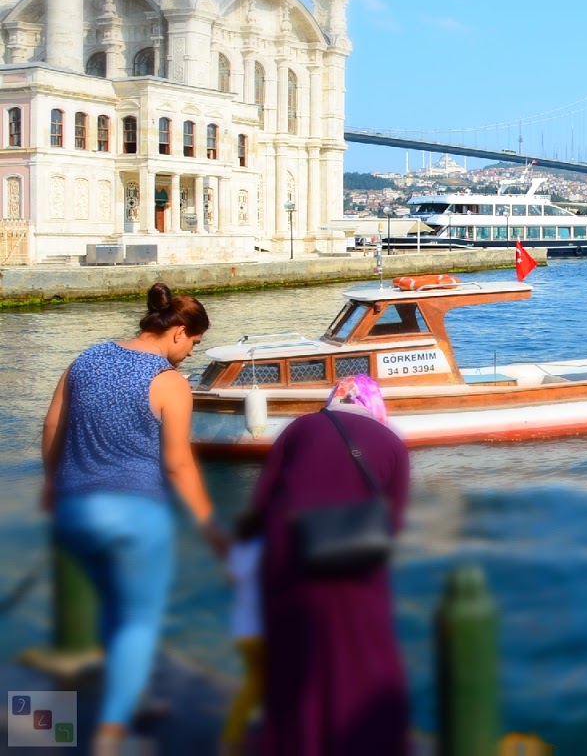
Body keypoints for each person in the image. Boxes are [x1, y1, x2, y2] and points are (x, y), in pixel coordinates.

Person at [41, 282, 229, 752]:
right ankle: (110, 732)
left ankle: (126, 696)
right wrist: (209, 524)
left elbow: (51, 427)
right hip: (134, 515)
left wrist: (54, 485)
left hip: (75, 510)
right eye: (195, 344)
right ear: (179, 332)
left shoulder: (86, 359)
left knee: (112, 606)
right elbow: (178, 464)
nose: (190, 353)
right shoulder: (169, 382)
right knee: (137, 621)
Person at [238, 374, 410, 755]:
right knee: (362, 659)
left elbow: (264, 501)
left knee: (295, 659)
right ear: (372, 403)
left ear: (336, 397)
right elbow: (393, 522)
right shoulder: (391, 444)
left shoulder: (300, 429)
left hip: (290, 557)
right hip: (357, 562)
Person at [220, 528, 264, 752]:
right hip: (262, 631)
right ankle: (232, 736)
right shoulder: (268, 546)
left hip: (241, 631)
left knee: (258, 682)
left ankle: (238, 734)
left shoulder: (240, 549)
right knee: (258, 683)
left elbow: (229, 578)